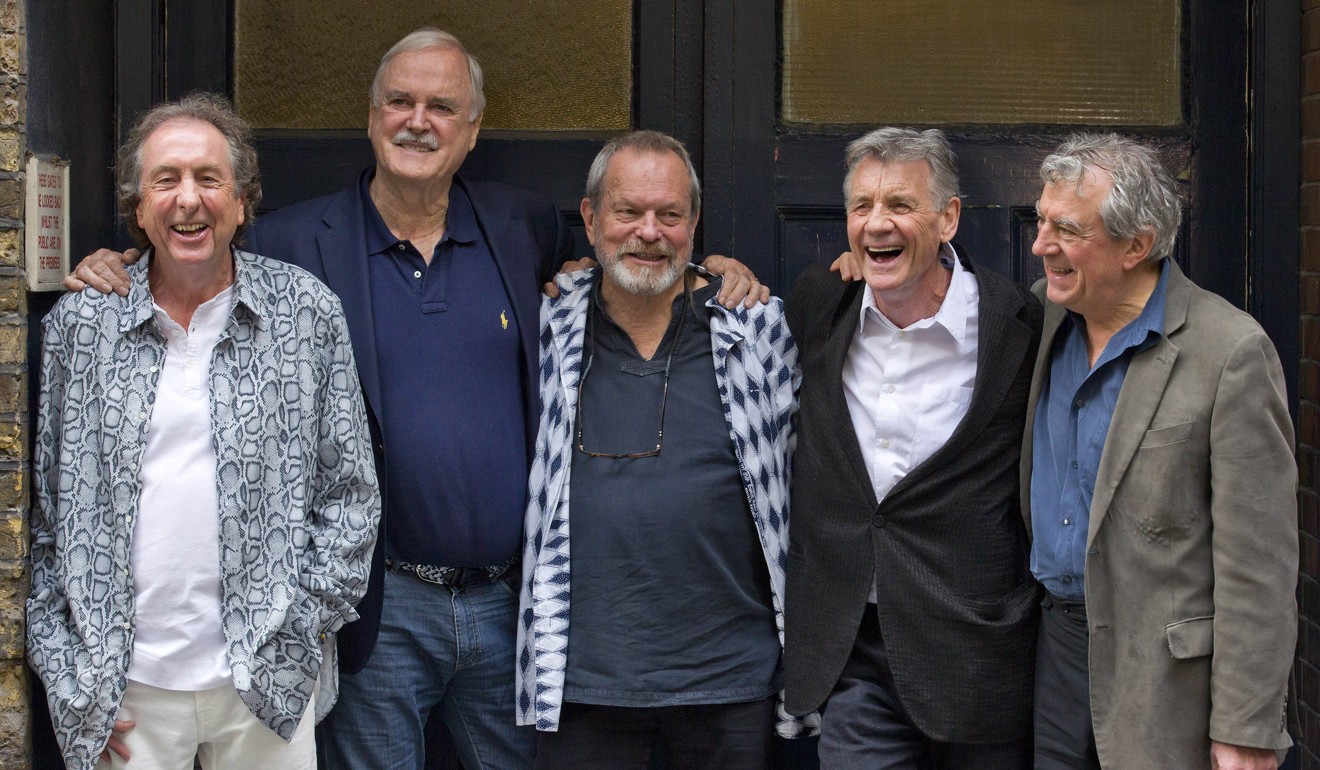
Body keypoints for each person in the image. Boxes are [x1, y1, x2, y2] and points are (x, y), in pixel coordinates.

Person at [65, 28, 765, 770]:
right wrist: (125, 263)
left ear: (473, 130)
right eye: (400, 101)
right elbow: (194, 257)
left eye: (442, 106)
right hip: (382, 608)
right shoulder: (292, 242)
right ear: (372, 117)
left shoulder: (521, 226)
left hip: (509, 602)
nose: (418, 121)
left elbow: (629, 264)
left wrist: (714, 271)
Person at [27, 93, 380, 770]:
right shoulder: (83, 326)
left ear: (242, 202)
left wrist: (297, 638)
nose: (188, 199)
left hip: (265, 681)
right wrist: (72, 680)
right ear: (138, 208)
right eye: (166, 180)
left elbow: (350, 496)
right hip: (125, 687)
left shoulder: (306, 313)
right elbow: (49, 518)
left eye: (209, 179)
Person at [517, 131, 813, 769]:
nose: (649, 233)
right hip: (582, 684)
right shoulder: (545, 327)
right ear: (591, 218)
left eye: (669, 215)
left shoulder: (758, 328)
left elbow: (817, 470)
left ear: (693, 222)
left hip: (730, 683)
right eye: (628, 212)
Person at [1025, 133, 1297, 770]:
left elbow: (1259, 564)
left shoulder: (1230, 352)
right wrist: (858, 275)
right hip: (1054, 652)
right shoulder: (1040, 317)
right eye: (1041, 221)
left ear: (1136, 245)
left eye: (1066, 229)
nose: (1040, 245)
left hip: (1165, 681)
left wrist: (1246, 727)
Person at [783, 127, 1041, 769]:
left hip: (975, 653)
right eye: (862, 206)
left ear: (948, 217)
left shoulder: (1016, 326)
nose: (877, 224)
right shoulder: (821, 302)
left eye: (900, 205)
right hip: (855, 651)